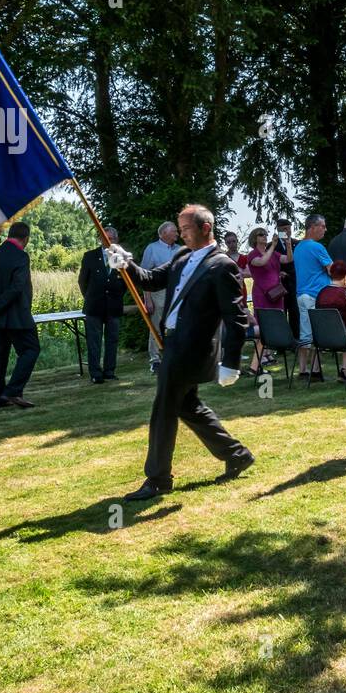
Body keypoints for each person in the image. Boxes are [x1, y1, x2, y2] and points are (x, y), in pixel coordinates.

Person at [110, 204, 253, 500]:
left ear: (205, 228)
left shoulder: (222, 266)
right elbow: (151, 280)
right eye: (179, 229)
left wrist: (232, 361)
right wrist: (125, 264)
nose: (180, 234)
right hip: (172, 344)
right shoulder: (181, 256)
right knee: (187, 406)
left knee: (163, 409)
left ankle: (158, 478)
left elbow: (236, 317)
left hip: (194, 350)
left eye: (185, 229)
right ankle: (236, 454)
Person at [0, 222, 40, 410]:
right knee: (31, 350)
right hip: (16, 316)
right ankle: (13, 390)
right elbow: (17, 287)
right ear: (26, 239)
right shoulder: (21, 257)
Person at [78, 226, 128, 384]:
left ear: (116, 239)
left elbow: (126, 283)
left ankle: (109, 371)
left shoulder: (122, 257)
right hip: (94, 306)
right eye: (105, 238)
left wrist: (117, 295)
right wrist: (90, 297)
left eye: (111, 238)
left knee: (112, 340)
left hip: (113, 305)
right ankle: (95, 373)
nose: (108, 241)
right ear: (100, 239)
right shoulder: (90, 256)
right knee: (94, 341)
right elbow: (82, 281)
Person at [293, 214, 333, 380]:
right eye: (322, 226)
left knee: (305, 335)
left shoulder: (299, 247)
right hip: (316, 295)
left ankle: (303, 370)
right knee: (318, 334)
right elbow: (332, 270)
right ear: (312, 227)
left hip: (302, 294)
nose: (325, 229)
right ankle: (315, 371)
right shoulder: (317, 247)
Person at [141, 222, 181, 375]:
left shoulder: (179, 249)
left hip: (177, 294)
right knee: (156, 327)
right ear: (163, 233)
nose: (177, 234)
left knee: (175, 326)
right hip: (158, 293)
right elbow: (145, 276)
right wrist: (147, 299)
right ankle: (155, 361)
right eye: (174, 231)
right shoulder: (152, 249)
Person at [244, 227, 285, 369]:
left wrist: (289, 244)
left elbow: (288, 259)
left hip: (276, 293)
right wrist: (272, 246)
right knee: (262, 325)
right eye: (261, 234)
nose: (265, 236)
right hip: (262, 294)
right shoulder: (252, 255)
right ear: (255, 238)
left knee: (273, 324)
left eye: (265, 234)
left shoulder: (272, 253)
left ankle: (267, 353)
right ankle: (259, 359)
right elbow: (262, 262)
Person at [273, 217, 299, 339]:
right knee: (282, 311)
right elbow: (271, 263)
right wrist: (279, 272)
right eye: (284, 229)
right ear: (278, 231)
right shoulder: (272, 246)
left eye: (289, 229)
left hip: (295, 282)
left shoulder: (297, 244)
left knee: (295, 311)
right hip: (280, 284)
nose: (287, 232)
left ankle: (295, 338)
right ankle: (282, 339)